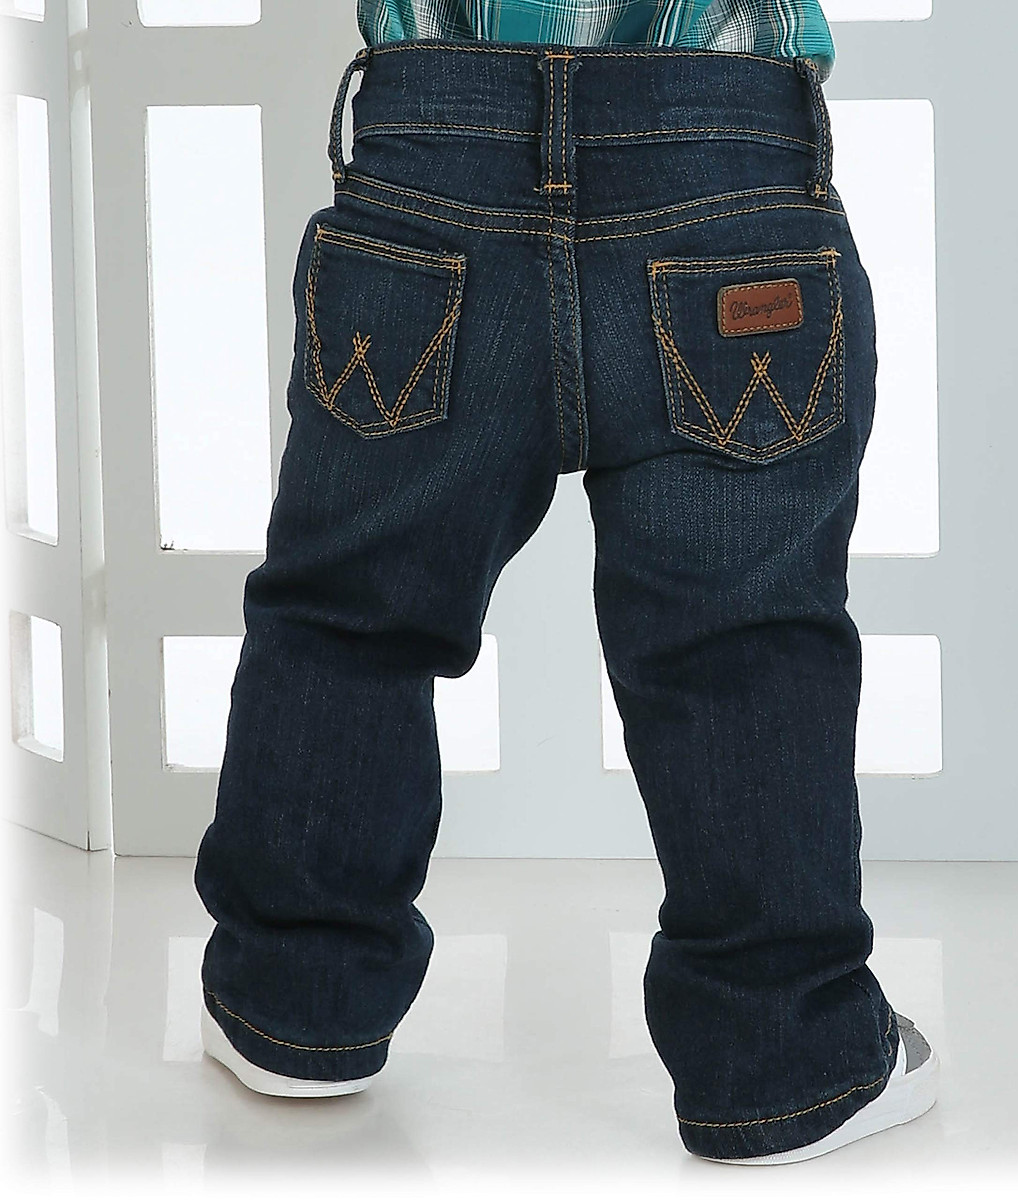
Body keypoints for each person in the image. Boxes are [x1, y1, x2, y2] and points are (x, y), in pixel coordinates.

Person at [192, 0, 940, 1166]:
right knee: (740, 643)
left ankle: (295, 1001)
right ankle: (781, 1053)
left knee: (354, 613)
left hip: (435, 148)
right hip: (723, 156)